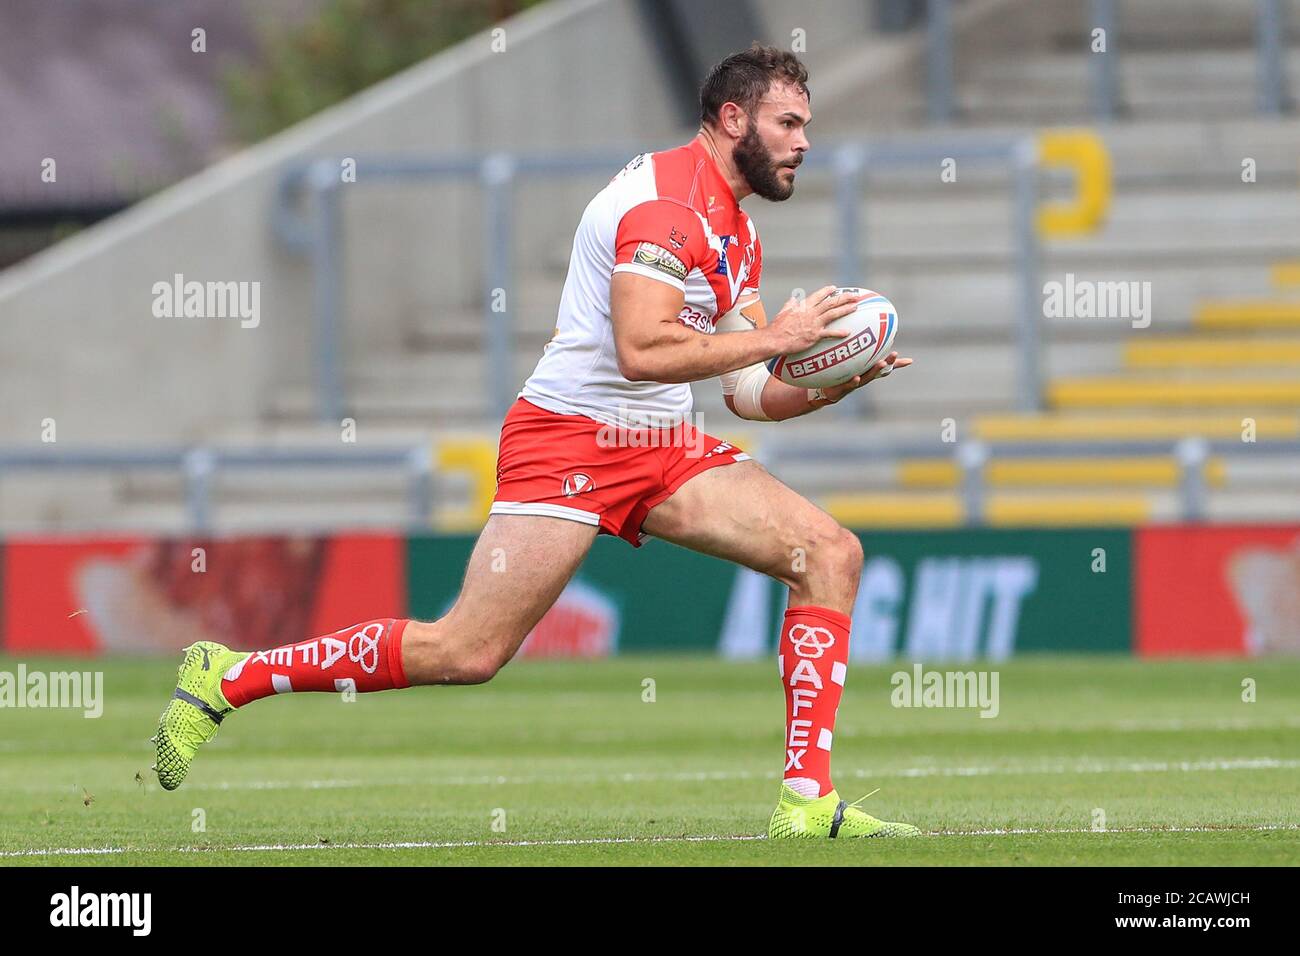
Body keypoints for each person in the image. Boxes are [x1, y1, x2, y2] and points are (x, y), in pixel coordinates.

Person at [153, 42, 917, 839]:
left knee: (830, 554)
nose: (802, 142)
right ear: (733, 119)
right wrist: (778, 336)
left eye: (806, 126)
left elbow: (746, 393)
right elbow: (641, 349)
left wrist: (833, 378)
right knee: (466, 652)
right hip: (571, 439)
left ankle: (805, 802)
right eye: (787, 123)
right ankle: (230, 675)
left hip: (660, 440)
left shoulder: (737, 233)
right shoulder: (664, 208)